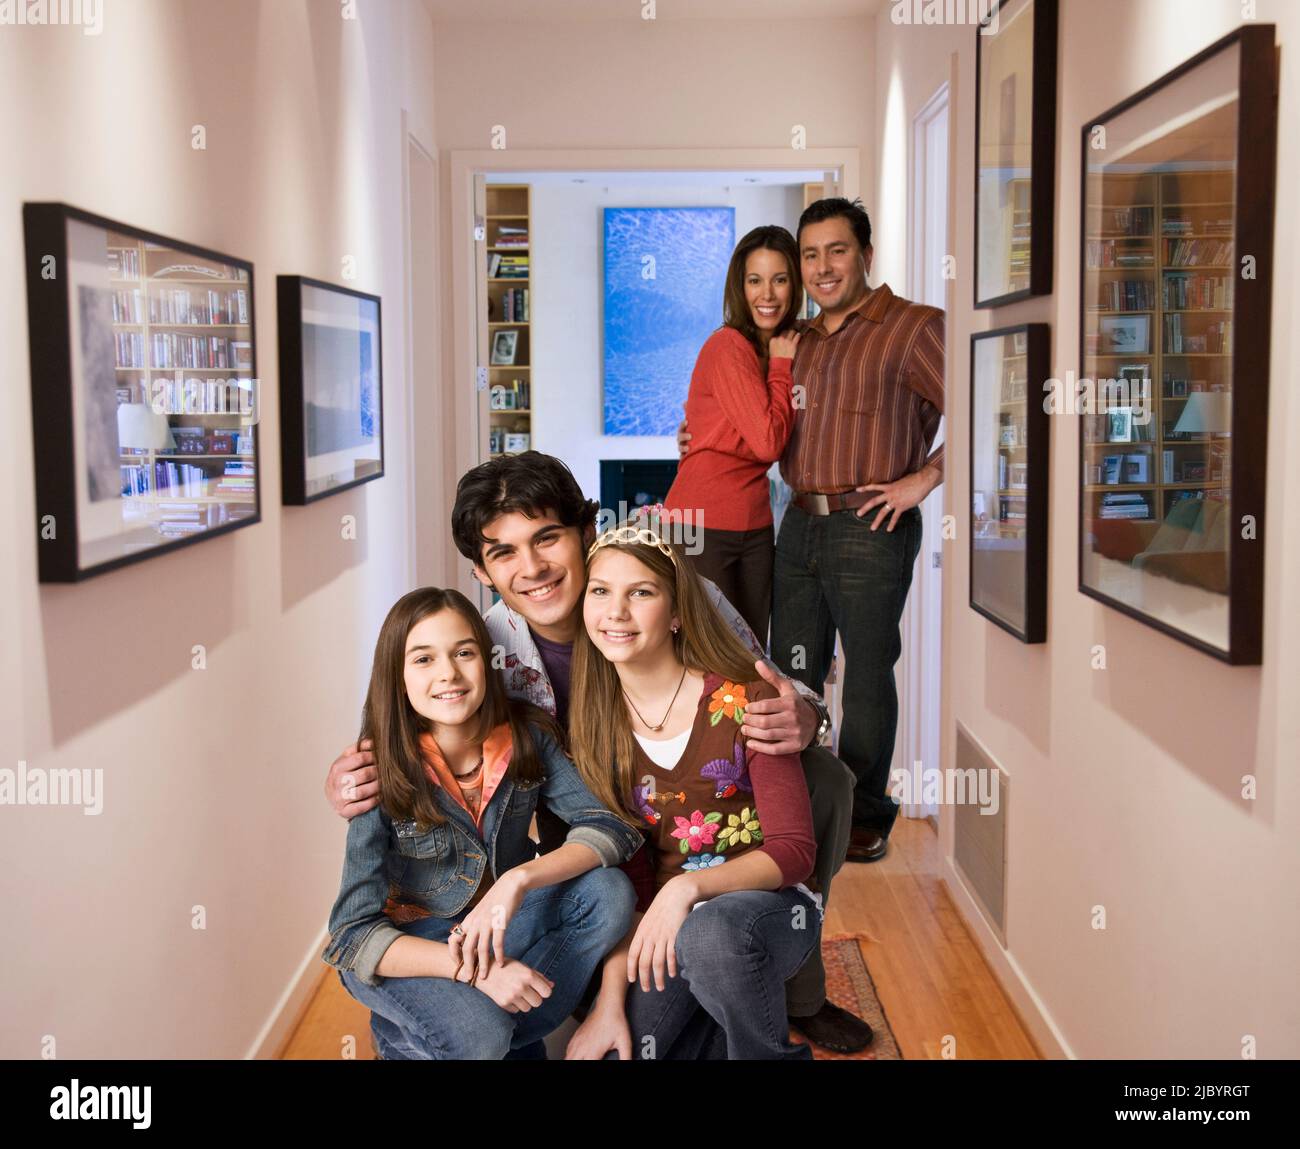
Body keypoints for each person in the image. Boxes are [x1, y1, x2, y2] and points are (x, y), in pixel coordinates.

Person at [324, 451, 873, 1054]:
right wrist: (353, 777)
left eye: (547, 538)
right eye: (503, 553)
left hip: (703, 802)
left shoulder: (673, 595)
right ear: (482, 573)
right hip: (596, 813)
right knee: (629, 993)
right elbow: (409, 709)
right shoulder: (485, 649)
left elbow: (764, 682)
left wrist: (805, 712)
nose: (531, 568)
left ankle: (798, 988)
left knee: (822, 777)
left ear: (584, 534)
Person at [679, 198, 945, 865]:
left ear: (866, 255)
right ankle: (795, 804)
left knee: (864, 671)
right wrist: (698, 436)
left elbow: (986, 398)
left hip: (869, 522)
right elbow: (740, 405)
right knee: (788, 669)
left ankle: (863, 811)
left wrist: (926, 478)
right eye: (811, 255)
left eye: (837, 251)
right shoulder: (791, 338)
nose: (823, 267)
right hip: (797, 521)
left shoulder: (912, 328)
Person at [322, 586, 643, 1060]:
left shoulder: (527, 736)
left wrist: (518, 879)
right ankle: (443, 1034)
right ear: (397, 676)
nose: (449, 674)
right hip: (409, 950)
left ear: (487, 660)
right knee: (480, 1034)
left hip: (492, 932)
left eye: (464, 653)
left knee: (609, 891)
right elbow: (351, 935)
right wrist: (476, 974)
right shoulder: (379, 770)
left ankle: (448, 1035)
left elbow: (610, 826)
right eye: (424, 660)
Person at [563, 512, 820, 1060]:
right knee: (622, 1049)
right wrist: (610, 1004)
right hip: (664, 926)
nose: (616, 612)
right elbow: (630, 877)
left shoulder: (744, 699)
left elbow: (794, 853)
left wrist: (686, 888)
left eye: (641, 593)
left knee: (713, 939)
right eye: (601, 592)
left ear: (677, 612)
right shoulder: (592, 730)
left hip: (767, 911)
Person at [663, 225, 802, 642]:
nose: (768, 295)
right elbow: (768, 441)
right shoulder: (729, 346)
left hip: (754, 522)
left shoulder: (780, 345)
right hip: (702, 522)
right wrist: (780, 367)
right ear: (739, 288)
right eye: (754, 280)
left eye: (780, 280)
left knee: (752, 654)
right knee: (706, 656)